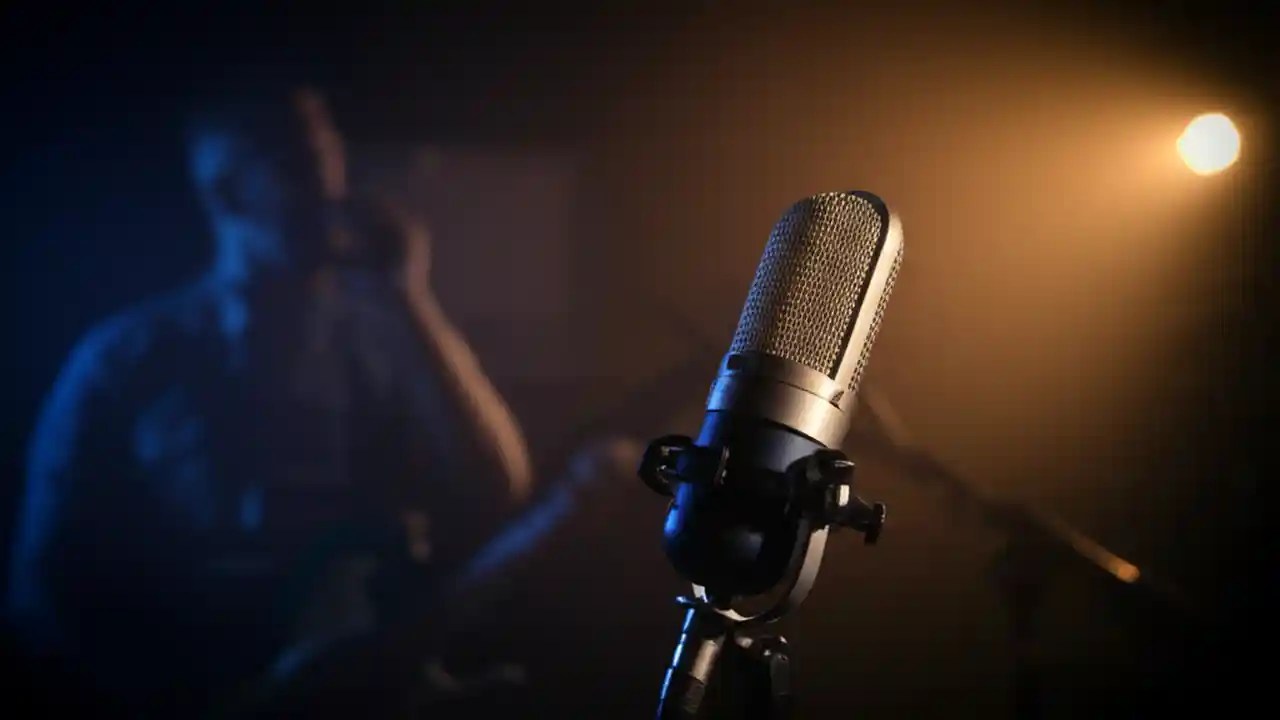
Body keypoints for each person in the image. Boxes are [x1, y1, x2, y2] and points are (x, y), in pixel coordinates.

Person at [6, 83, 539, 717]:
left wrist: (411, 300)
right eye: (303, 169)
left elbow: (496, 487)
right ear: (229, 192)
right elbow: (44, 588)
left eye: (332, 162)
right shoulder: (126, 358)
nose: (332, 194)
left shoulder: (386, 338)